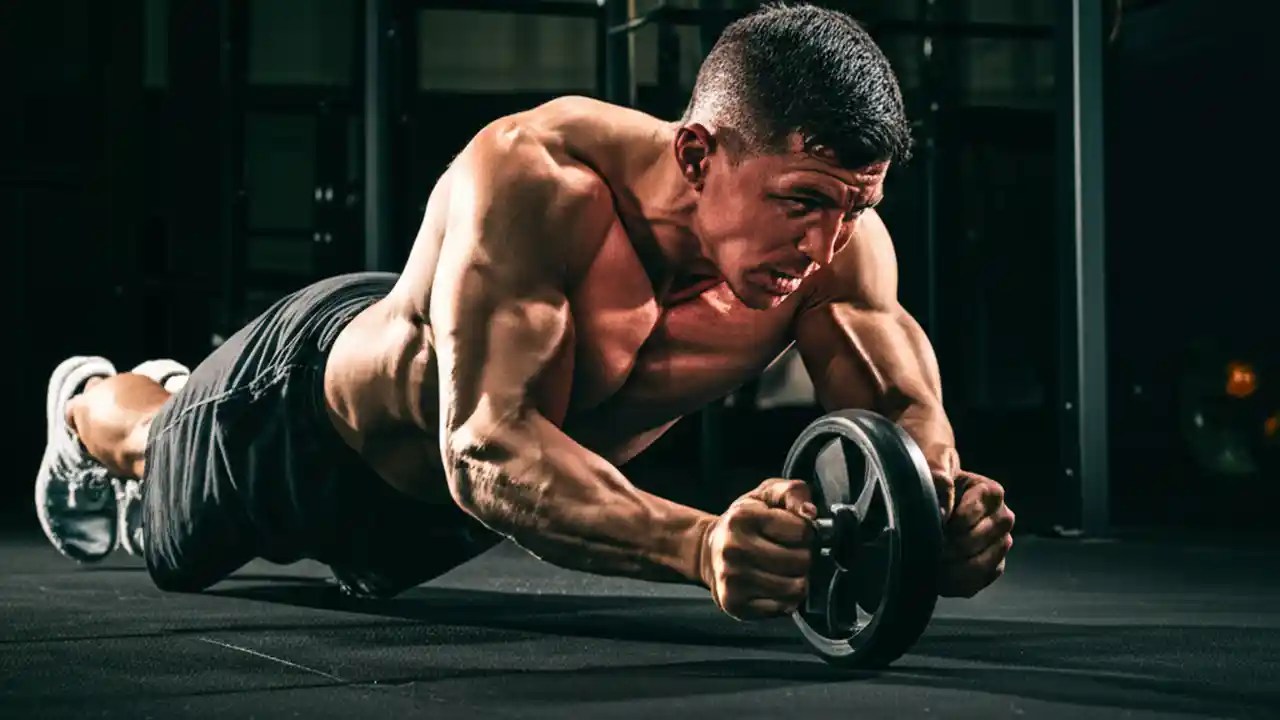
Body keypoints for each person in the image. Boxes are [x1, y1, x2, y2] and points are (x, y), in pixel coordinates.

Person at [36, 3, 1014, 621]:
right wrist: (697, 543)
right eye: (800, 202)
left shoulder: (836, 250)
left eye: (854, 208)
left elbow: (902, 413)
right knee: (158, 479)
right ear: (696, 153)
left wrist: (938, 512)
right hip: (303, 428)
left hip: (445, 526)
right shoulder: (537, 176)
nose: (825, 245)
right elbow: (485, 447)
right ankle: (92, 403)